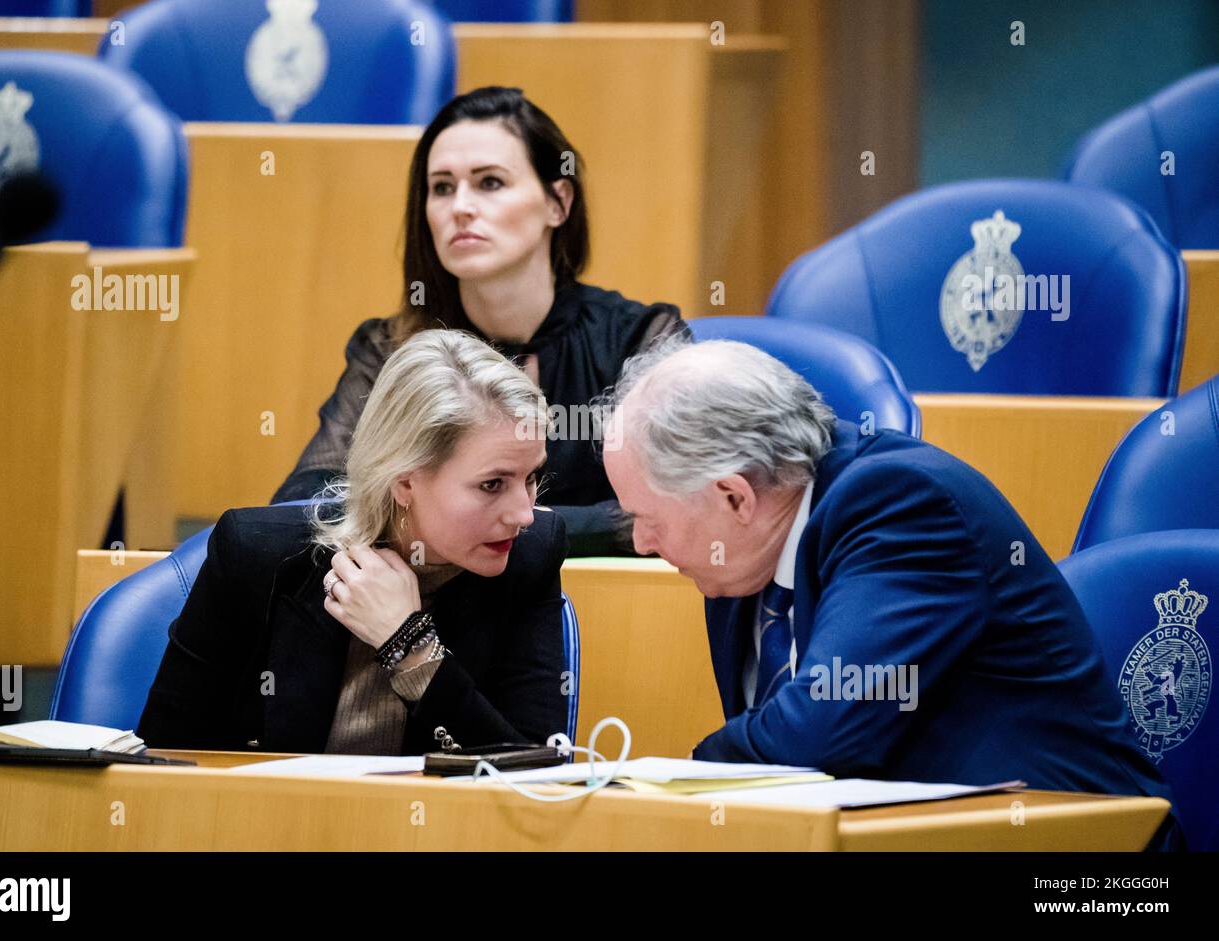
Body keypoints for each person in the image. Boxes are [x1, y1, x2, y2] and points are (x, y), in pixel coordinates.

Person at [601, 336, 1181, 846]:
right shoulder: (740, 553)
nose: (644, 543)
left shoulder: (901, 505)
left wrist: (666, 779)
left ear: (734, 496)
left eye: (646, 518)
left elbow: (817, 734)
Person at [272, 85, 686, 556]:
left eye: (490, 182)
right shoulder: (390, 347)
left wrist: (462, 521)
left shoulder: (639, 339)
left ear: (558, 202)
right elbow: (304, 503)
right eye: (442, 188)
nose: (460, 206)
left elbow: (681, 505)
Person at [138, 330, 569, 755]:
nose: (525, 515)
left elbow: (528, 773)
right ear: (405, 482)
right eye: (492, 484)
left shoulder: (529, 558)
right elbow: (168, 759)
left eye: (531, 478)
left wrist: (409, 646)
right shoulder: (256, 555)